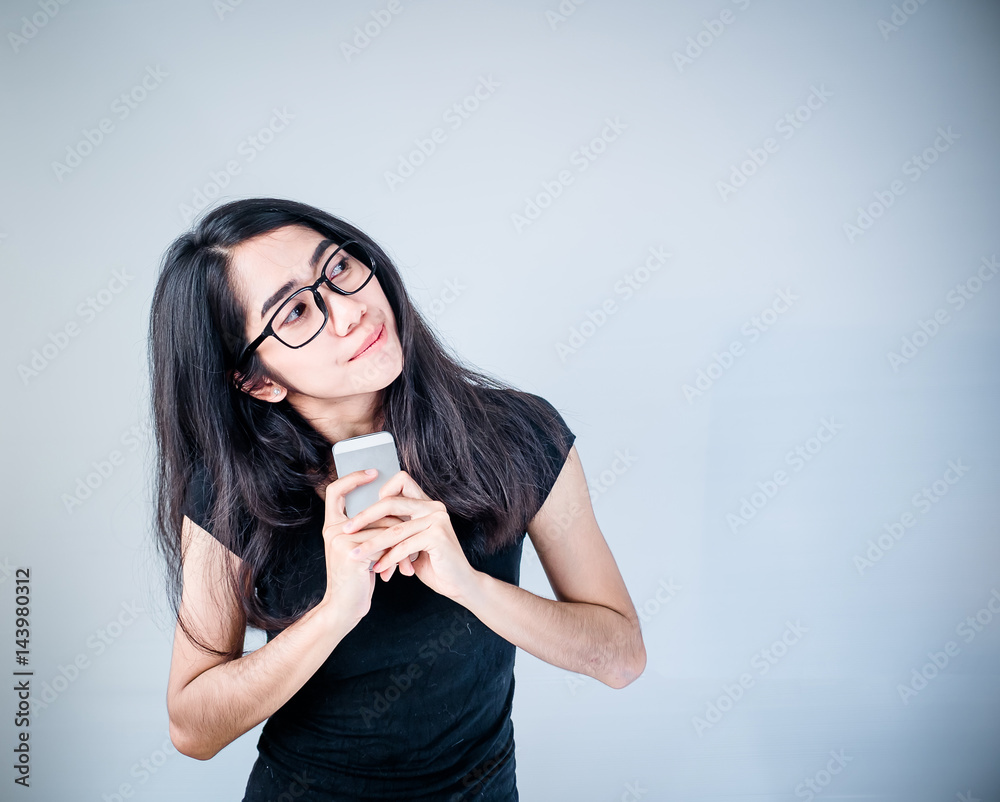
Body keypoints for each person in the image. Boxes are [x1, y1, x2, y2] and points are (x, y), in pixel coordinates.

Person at [148, 197, 646, 801]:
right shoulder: (232, 491)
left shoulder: (520, 434)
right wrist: (335, 613)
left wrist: (470, 586)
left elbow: (621, 657)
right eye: (297, 312)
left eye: (338, 268)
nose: (350, 312)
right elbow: (192, 727)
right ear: (259, 380)